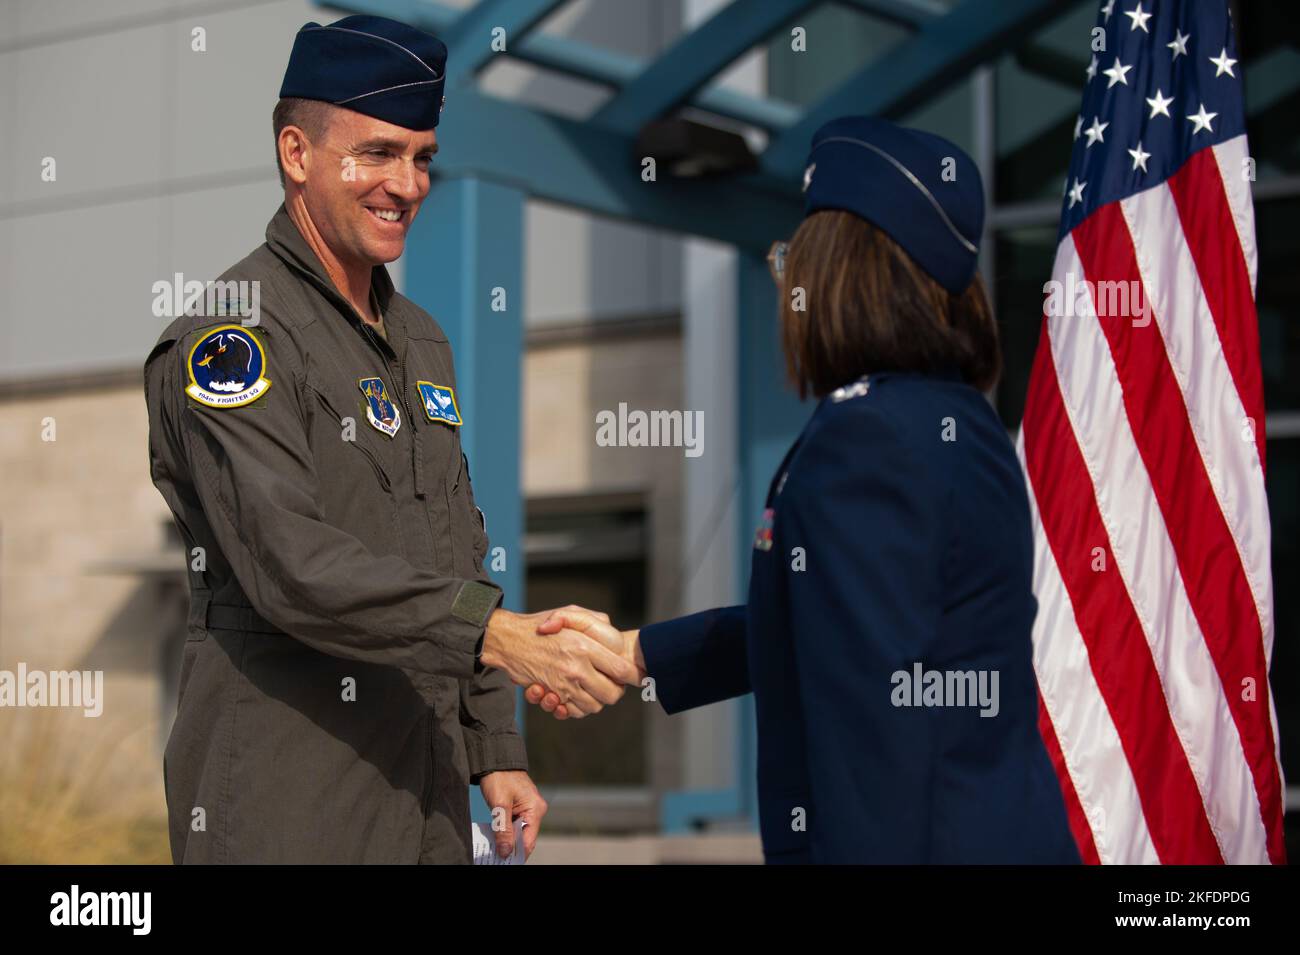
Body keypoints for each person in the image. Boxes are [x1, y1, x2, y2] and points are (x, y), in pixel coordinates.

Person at [522, 116, 1082, 864]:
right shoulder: (954, 419)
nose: (788, 277)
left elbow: (876, 732)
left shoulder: (868, 437)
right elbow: (833, 624)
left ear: (844, 271)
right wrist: (639, 653)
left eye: (796, 256)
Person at [143, 14, 634, 864]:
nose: (407, 184)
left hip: (427, 796)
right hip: (289, 801)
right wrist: (497, 635)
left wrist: (494, 748)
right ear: (297, 155)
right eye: (377, 153)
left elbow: (457, 544)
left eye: (422, 157)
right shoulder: (231, 337)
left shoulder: (421, 338)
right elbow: (291, 563)